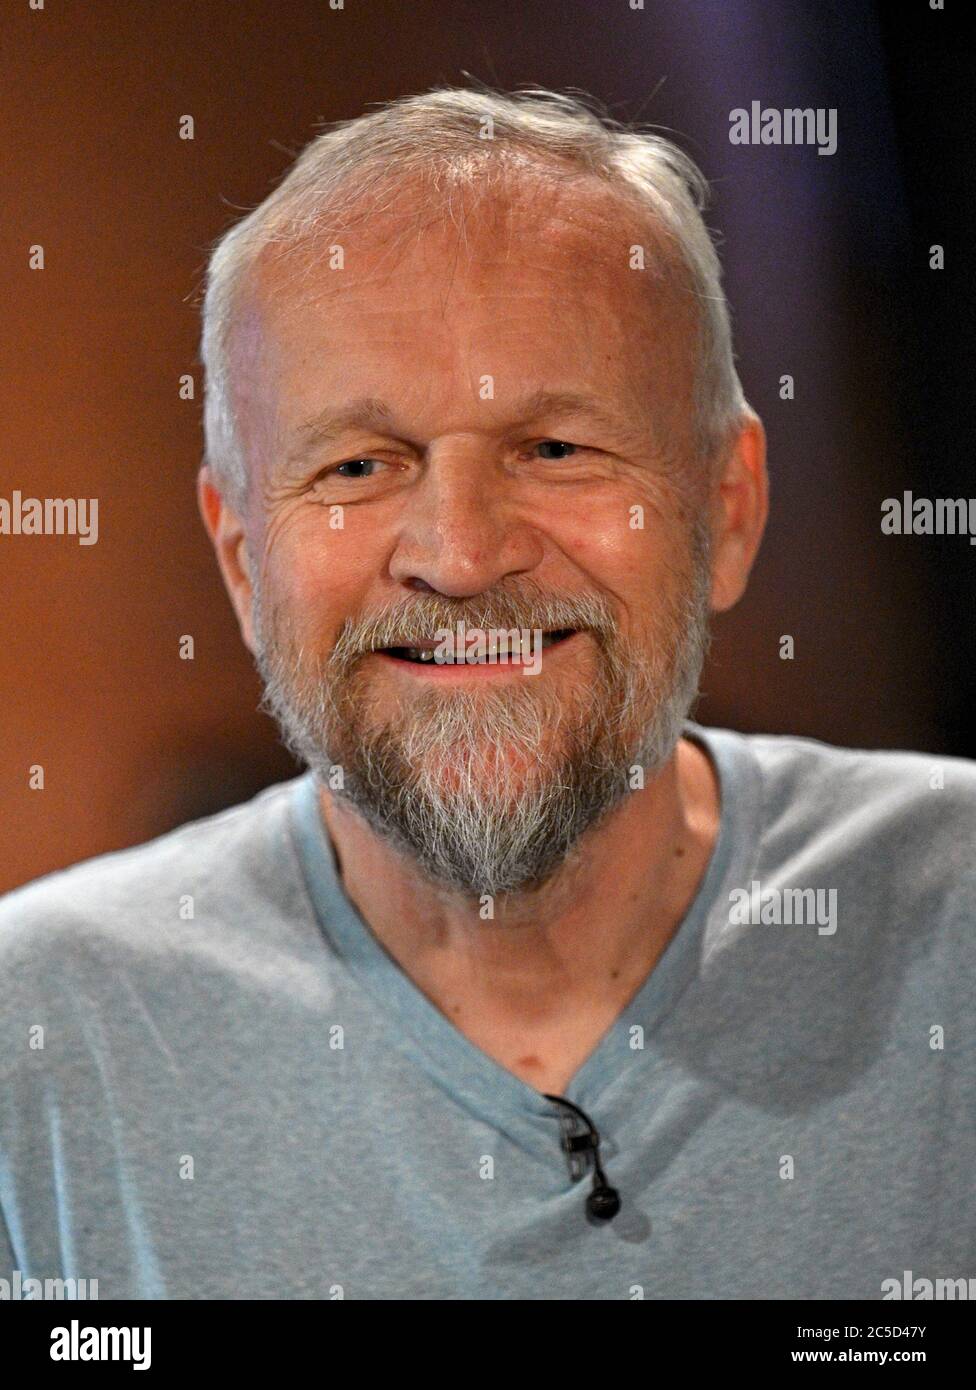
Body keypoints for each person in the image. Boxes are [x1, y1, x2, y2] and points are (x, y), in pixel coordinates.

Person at [1, 86, 973, 1301]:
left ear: (726, 507)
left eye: (554, 449)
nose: (459, 555)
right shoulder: (35, 1028)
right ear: (243, 560)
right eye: (358, 465)